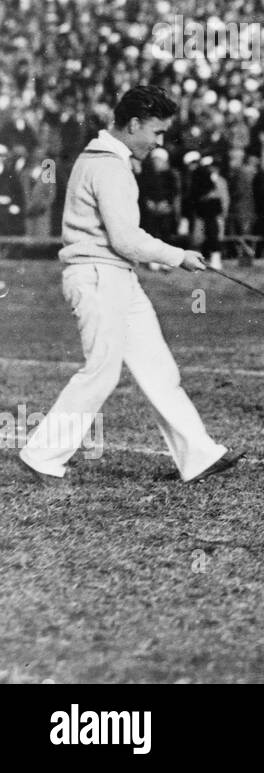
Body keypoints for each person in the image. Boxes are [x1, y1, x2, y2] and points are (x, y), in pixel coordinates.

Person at [18, 85, 241, 486]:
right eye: (156, 133)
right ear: (133, 123)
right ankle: (42, 455)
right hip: (98, 275)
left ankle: (199, 454)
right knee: (100, 372)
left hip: (116, 276)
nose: (159, 143)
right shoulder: (108, 165)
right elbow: (125, 238)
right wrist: (179, 255)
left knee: (157, 367)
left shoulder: (106, 159)